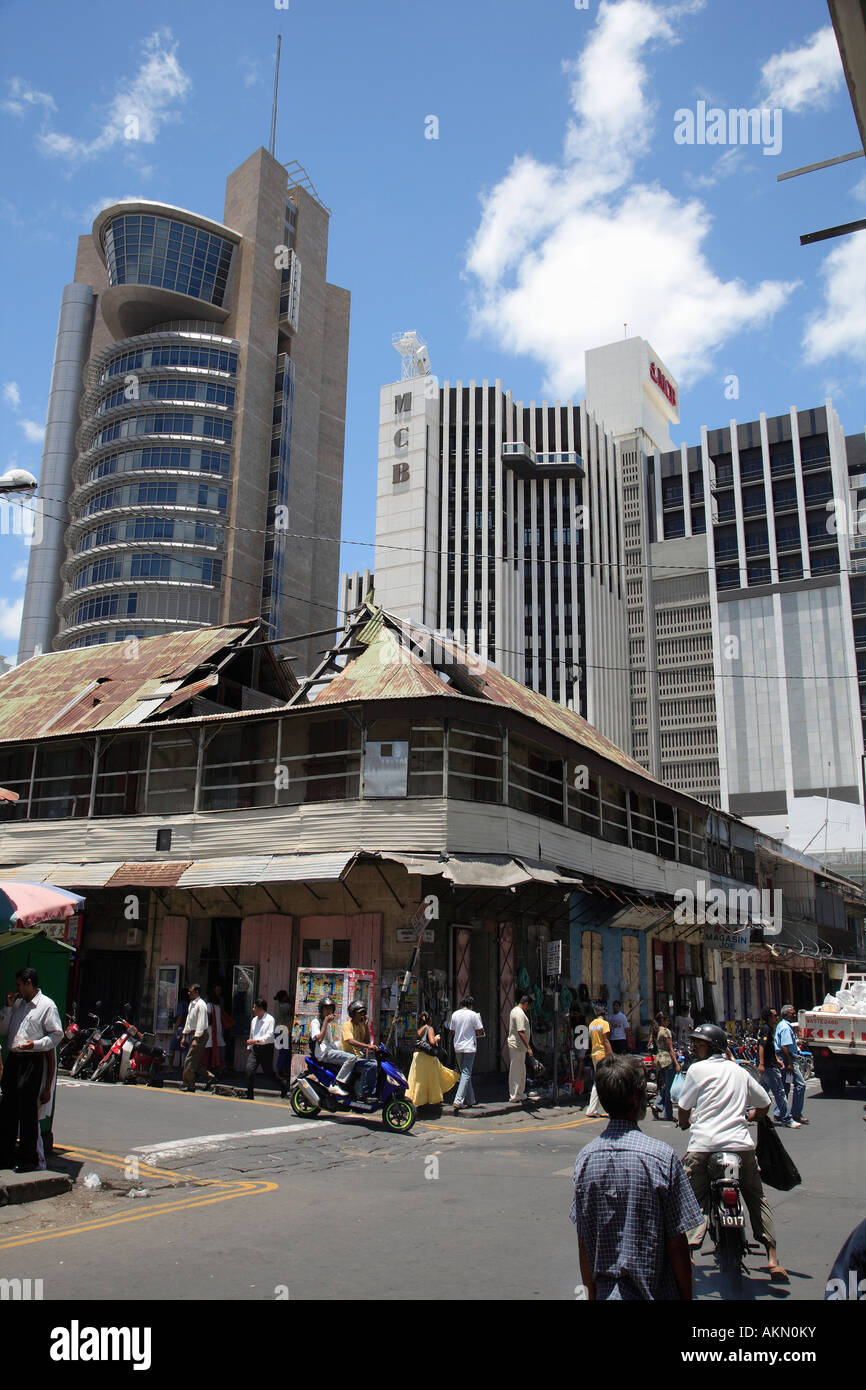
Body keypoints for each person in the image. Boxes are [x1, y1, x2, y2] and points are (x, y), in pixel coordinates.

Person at [570, 1054, 702, 1300]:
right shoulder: (661, 1157)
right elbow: (677, 1242)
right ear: (635, 1098)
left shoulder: (585, 1159)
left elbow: (584, 1241)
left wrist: (591, 1295)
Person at [677, 1022, 788, 1282]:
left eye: (699, 1043)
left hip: (703, 1146)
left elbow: (683, 1108)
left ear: (712, 1046)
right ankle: (772, 1258)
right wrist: (752, 1114)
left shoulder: (696, 1070)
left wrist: (684, 1122)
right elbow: (764, 1103)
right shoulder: (739, 1071)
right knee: (755, 1196)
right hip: (740, 1146)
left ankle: (690, 1252)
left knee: (694, 1198)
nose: (694, 1047)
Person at [0, 967, 63, 1173]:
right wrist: (8, 1008)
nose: (16, 988)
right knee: (8, 1107)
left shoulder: (47, 1006)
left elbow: (56, 1035)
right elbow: (4, 1030)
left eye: (19, 984)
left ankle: (28, 1159)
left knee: (27, 1110)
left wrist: (35, 1045)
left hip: (31, 1060)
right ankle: (6, 1155)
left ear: (28, 983)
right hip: (13, 1059)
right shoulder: (18, 1004)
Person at [757, 1006, 799, 1129]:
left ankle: (748, 1112)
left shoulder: (770, 1029)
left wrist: (777, 1059)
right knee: (780, 1092)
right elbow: (762, 1046)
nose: (776, 1017)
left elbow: (770, 1047)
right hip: (769, 1067)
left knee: (761, 1092)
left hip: (771, 1064)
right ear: (769, 1017)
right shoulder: (766, 1029)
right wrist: (762, 1064)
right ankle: (786, 1118)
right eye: (774, 1016)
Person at [406, 1012, 459, 1107]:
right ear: (430, 1020)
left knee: (420, 1080)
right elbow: (432, 1042)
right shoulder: (429, 1028)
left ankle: (418, 1099)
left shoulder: (418, 1030)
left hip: (418, 1057)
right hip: (428, 1057)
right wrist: (436, 1038)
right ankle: (435, 1099)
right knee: (434, 1078)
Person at [308, 996, 356, 1097]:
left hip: (328, 1050)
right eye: (326, 1009)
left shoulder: (328, 1026)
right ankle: (336, 1084)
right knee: (351, 1058)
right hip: (322, 1053)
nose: (329, 1011)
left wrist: (343, 1051)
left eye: (330, 1009)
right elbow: (319, 1039)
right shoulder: (315, 1022)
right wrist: (325, 1021)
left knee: (350, 1055)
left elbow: (331, 1043)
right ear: (321, 1010)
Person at [245, 998, 288, 1101]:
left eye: (255, 1007)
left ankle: (282, 1083)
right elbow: (252, 1034)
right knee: (249, 1070)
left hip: (266, 1048)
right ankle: (249, 1095)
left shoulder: (270, 1019)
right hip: (255, 1049)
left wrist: (255, 1041)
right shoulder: (254, 1020)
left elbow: (269, 1036)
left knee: (268, 1073)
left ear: (261, 1009)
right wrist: (250, 1046)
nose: (253, 1009)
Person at [448, 995, 484, 1114]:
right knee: (466, 1073)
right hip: (469, 1047)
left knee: (464, 1073)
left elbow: (452, 1031)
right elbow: (479, 1030)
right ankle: (458, 1100)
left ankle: (471, 1099)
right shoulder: (473, 1015)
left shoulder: (455, 1014)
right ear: (471, 1005)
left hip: (458, 1046)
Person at [775, 1004, 808, 1125]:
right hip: (788, 1060)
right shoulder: (785, 1027)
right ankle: (796, 1113)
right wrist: (789, 1064)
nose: (794, 1015)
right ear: (786, 1014)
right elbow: (785, 1046)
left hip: (787, 1059)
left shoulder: (783, 1025)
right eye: (792, 1013)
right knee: (800, 1084)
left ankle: (779, 1112)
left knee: (786, 1085)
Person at [341, 999, 379, 1098]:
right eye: (360, 1013)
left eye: (364, 1013)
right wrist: (367, 1046)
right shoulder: (347, 1025)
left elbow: (366, 1041)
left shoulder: (361, 1025)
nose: (362, 1016)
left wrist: (366, 1025)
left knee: (376, 1064)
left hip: (358, 1057)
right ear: (353, 1014)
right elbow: (350, 1041)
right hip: (350, 1058)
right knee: (372, 1065)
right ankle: (366, 1093)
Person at [181, 983, 215, 1093]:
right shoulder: (192, 1004)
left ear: (196, 992)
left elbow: (201, 1022)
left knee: (189, 1060)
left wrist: (196, 1038)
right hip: (193, 1033)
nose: (188, 993)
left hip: (200, 1035)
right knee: (194, 1061)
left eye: (190, 991)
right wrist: (184, 1035)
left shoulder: (201, 1004)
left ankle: (189, 1084)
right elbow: (188, 1021)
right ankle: (210, 1078)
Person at [651, 1012, 680, 1122]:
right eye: (667, 1021)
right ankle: (667, 1112)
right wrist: (676, 1063)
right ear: (663, 1021)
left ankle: (658, 1104)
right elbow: (670, 1049)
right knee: (669, 1088)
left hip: (659, 1060)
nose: (668, 1023)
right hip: (667, 1060)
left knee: (667, 1086)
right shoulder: (665, 1031)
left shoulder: (656, 1031)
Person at [585, 1004, 612, 1118]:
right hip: (603, 1055)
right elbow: (606, 1041)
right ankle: (610, 1109)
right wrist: (611, 1055)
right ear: (604, 1014)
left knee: (598, 1082)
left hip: (594, 1055)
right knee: (606, 1082)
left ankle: (592, 1109)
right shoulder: (604, 1024)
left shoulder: (591, 1024)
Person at [507, 993, 534, 1104]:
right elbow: (520, 1031)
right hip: (517, 1046)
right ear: (526, 1004)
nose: (529, 1009)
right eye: (529, 1006)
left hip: (519, 1046)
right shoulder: (519, 1014)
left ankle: (520, 1093)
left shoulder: (516, 1011)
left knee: (521, 1070)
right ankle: (514, 1095)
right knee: (516, 1070)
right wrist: (529, 1047)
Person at [274, 989, 293, 1078]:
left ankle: (283, 1071)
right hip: (284, 1031)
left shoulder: (277, 1005)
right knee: (284, 1052)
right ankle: (281, 1071)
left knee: (284, 1051)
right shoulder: (285, 1006)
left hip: (279, 1030)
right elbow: (292, 1010)